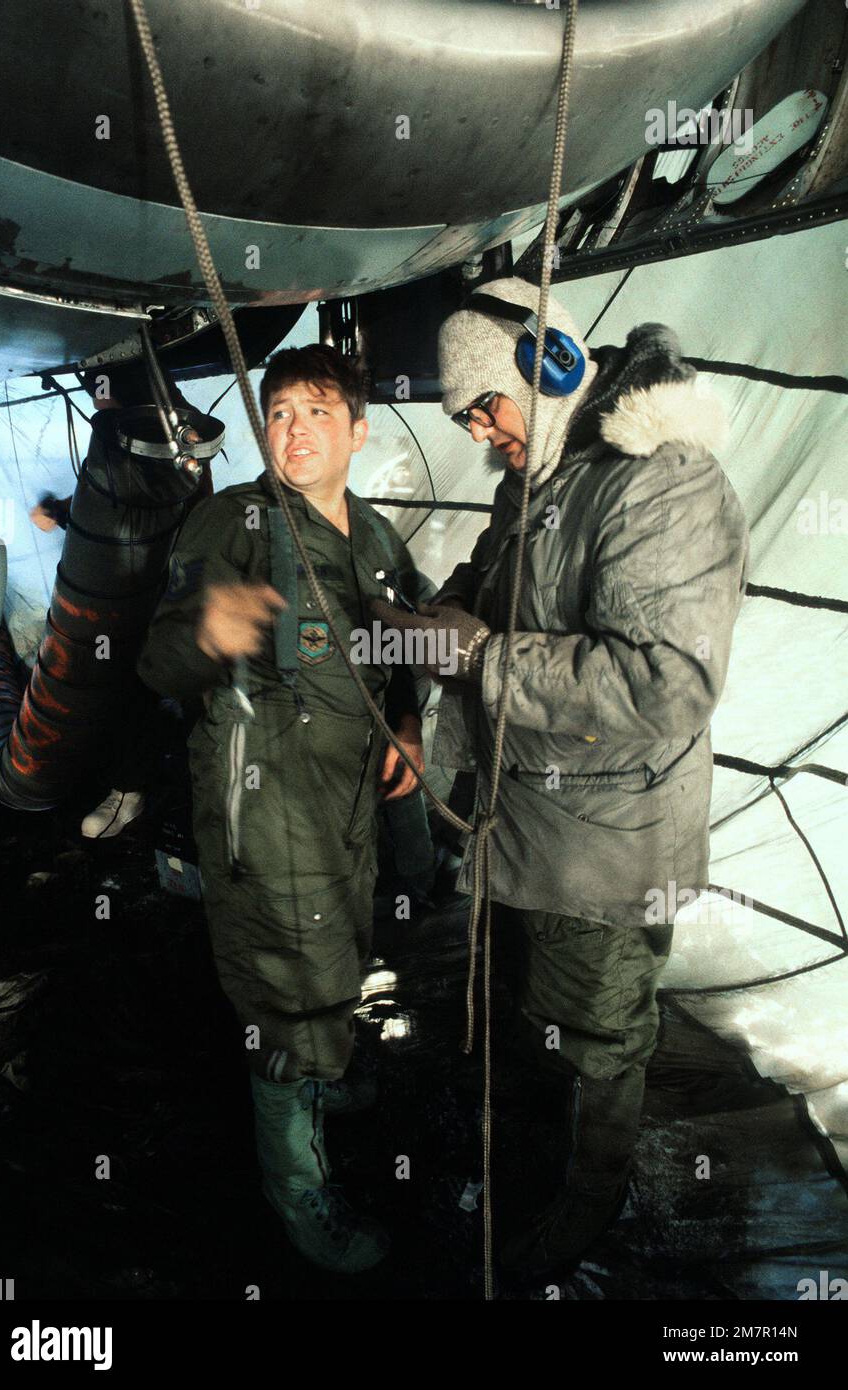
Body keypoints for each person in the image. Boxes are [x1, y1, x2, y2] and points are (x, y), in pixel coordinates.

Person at [372, 276, 750, 1285]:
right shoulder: (537, 476)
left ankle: (574, 1223)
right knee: (520, 1031)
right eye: (459, 418)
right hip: (518, 829)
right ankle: (516, 1180)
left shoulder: (661, 480)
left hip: (603, 852)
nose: (476, 433)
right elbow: (485, 586)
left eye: (482, 406)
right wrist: (424, 642)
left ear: (546, 365)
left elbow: (664, 683)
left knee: (589, 1048)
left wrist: (477, 661)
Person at [136, 344, 424, 1273]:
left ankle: (321, 1067)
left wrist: (408, 728)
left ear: (359, 427)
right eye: (280, 414)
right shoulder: (233, 523)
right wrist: (205, 636)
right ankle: (298, 1195)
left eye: (316, 411)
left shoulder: (374, 540)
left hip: (345, 805)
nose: (295, 431)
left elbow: (400, 645)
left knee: (337, 945)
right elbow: (156, 662)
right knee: (281, 984)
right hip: (263, 806)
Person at [30, 367, 214, 839]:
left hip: (183, 585)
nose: (100, 409)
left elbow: (143, 492)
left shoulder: (170, 438)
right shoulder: (131, 433)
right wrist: (63, 511)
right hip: (143, 587)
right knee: (134, 683)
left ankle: (201, 797)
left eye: (104, 400)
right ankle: (133, 788)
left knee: (194, 692)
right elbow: (113, 492)